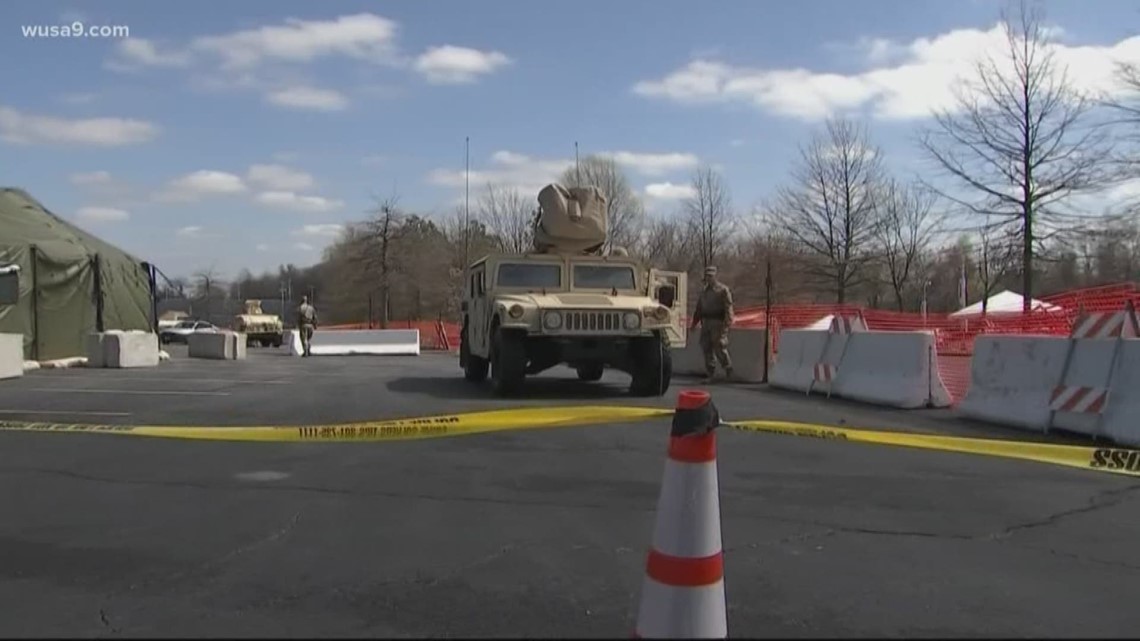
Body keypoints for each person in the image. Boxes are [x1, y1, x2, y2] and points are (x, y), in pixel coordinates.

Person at [690, 265, 734, 383]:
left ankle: (728, 369)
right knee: (706, 347)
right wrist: (694, 323)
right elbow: (699, 309)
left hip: (718, 322)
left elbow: (728, 308)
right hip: (706, 322)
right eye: (707, 276)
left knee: (719, 346)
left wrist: (726, 325)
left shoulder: (723, 290)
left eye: (710, 276)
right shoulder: (704, 292)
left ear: (715, 276)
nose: (708, 278)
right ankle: (711, 373)